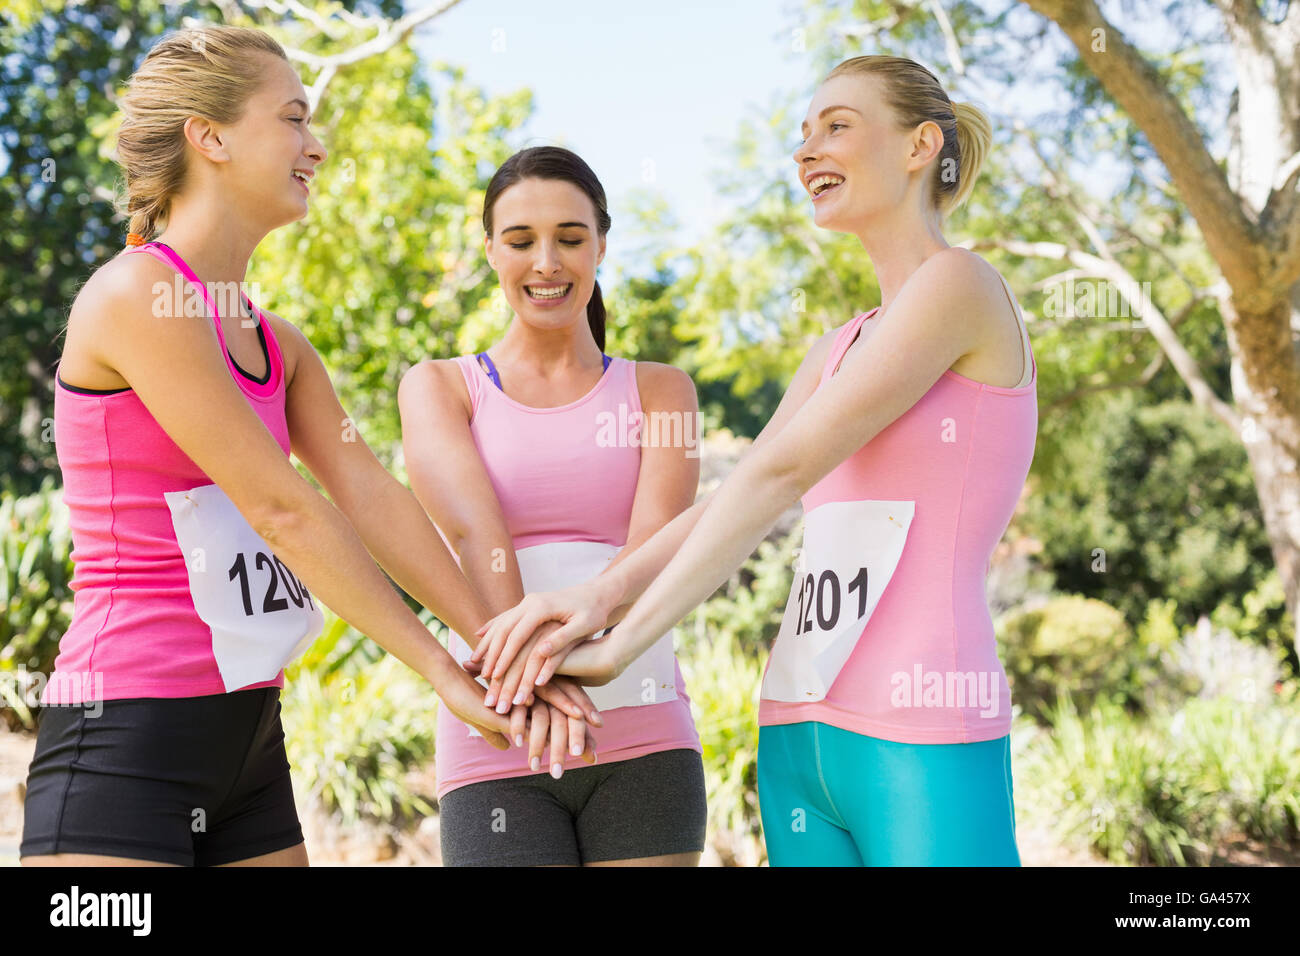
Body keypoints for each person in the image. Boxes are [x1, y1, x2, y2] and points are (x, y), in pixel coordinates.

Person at [20, 25, 594, 868]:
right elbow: (285, 509)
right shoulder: (136, 293)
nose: (315, 147)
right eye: (293, 119)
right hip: (125, 736)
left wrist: (504, 655)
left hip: (248, 738)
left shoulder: (277, 344)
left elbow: (370, 495)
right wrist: (441, 671)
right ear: (209, 137)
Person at [472, 55, 1037, 866]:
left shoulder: (960, 287)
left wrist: (616, 647)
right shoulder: (838, 344)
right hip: (798, 726)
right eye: (803, 133)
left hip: (920, 722)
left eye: (836, 126)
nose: (806, 151)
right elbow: (738, 493)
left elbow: (780, 475)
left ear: (921, 146)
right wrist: (597, 599)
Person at [400, 146, 707, 867]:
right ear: (489, 251)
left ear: (601, 243)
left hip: (642, 730)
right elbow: (477, 535)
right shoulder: (440, 387)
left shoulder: (664, 391)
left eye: (571, 239)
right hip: (497, 733)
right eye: (521, 241)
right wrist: (531, 690)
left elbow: (654, 551)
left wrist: (542, 671)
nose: (547, 261)